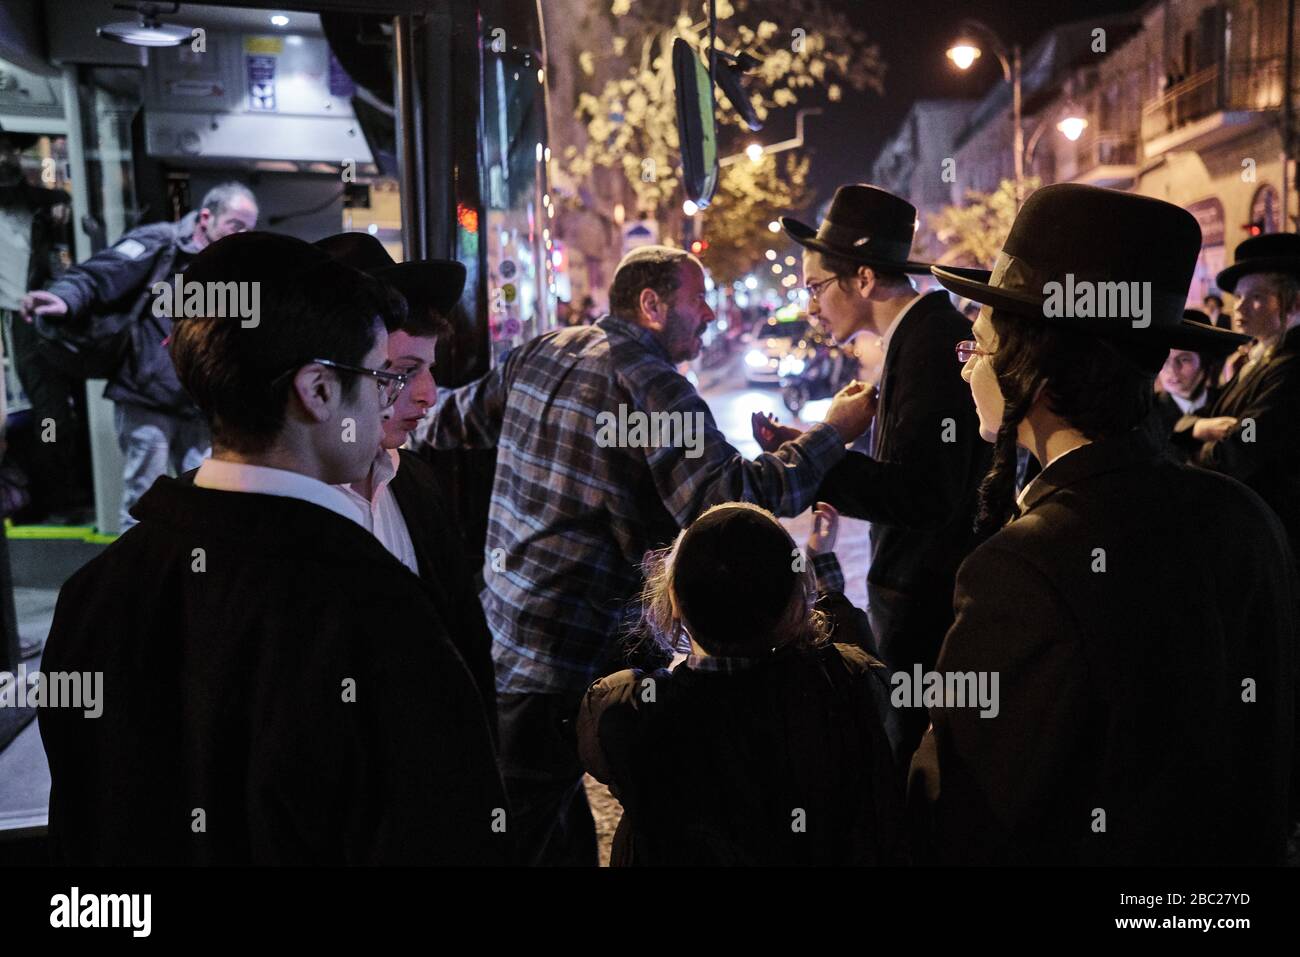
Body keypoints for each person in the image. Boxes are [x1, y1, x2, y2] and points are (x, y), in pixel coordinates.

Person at [38, 232, 508, 865]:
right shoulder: (376, 606)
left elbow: (84, 829)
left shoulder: (94, 590)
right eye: (380, 376)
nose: (401, 397)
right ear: (317, 391)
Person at [422, 243, 877, 865]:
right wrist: (833, 433)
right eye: (699, 300)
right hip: (569, 650)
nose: (713, 315)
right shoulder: (653, 384)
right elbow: (731, 501)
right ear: (651, 304)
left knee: (549, 823)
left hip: (507, 632)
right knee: (520, 833)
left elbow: (449, 422)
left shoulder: (540, 351)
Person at [911, 183, 1294, 865]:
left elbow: (965, 814)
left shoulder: (1025, 567)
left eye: (984, 332)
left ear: (1032, 362)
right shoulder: (1245, 517)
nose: (970, 353)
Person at [754, 184, 991, 757]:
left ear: (862, 278)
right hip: (916, 597)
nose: (811, 305)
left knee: (909, 765)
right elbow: (913, 468)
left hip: (927, 605)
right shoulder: (916, 335)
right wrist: (818, 445)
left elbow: (925, 493)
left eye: (816, 287)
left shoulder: (933, 343)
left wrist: (819, 460)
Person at [577, 502, 901, 866]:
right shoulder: (844, 686)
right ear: (797, 599)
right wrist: (821, 569)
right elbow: (852, 659)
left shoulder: (627, 712)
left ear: (673, 599)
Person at [314, 232, 496, 722]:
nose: (427, 395)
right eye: (402, 371)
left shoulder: (415, 482)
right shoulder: (275, 506)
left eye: (428, 369)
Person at [20, 182, 259, 529]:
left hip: (200, 406)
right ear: (206, 217)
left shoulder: (236, 268)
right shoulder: (161, 243)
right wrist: (64, 298)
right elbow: (97, 275)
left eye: (250, 229)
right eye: (236, 225)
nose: (243, 235)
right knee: (144, 504)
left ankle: (192, 575)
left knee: (208, 500)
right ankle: (133, 581)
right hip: (147, 398)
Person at [1171, 232, 1300, 564]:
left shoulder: (1290, 367)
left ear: (1294, 302)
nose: (1239, 306)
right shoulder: (1254, 358)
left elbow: (1239, 451)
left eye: (1256, 296)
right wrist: (1195, 429)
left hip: (1270, 539)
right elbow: (1212, 419)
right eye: (1239, 295)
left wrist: (1191, 450)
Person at [1143, 308, 1227, 455]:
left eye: (1184, 359)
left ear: (1204, 363)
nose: (1173, 370)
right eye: (1166, 360)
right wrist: (1192, 430)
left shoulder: (1226, 401)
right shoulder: (1146, 412)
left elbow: (1250, 437)